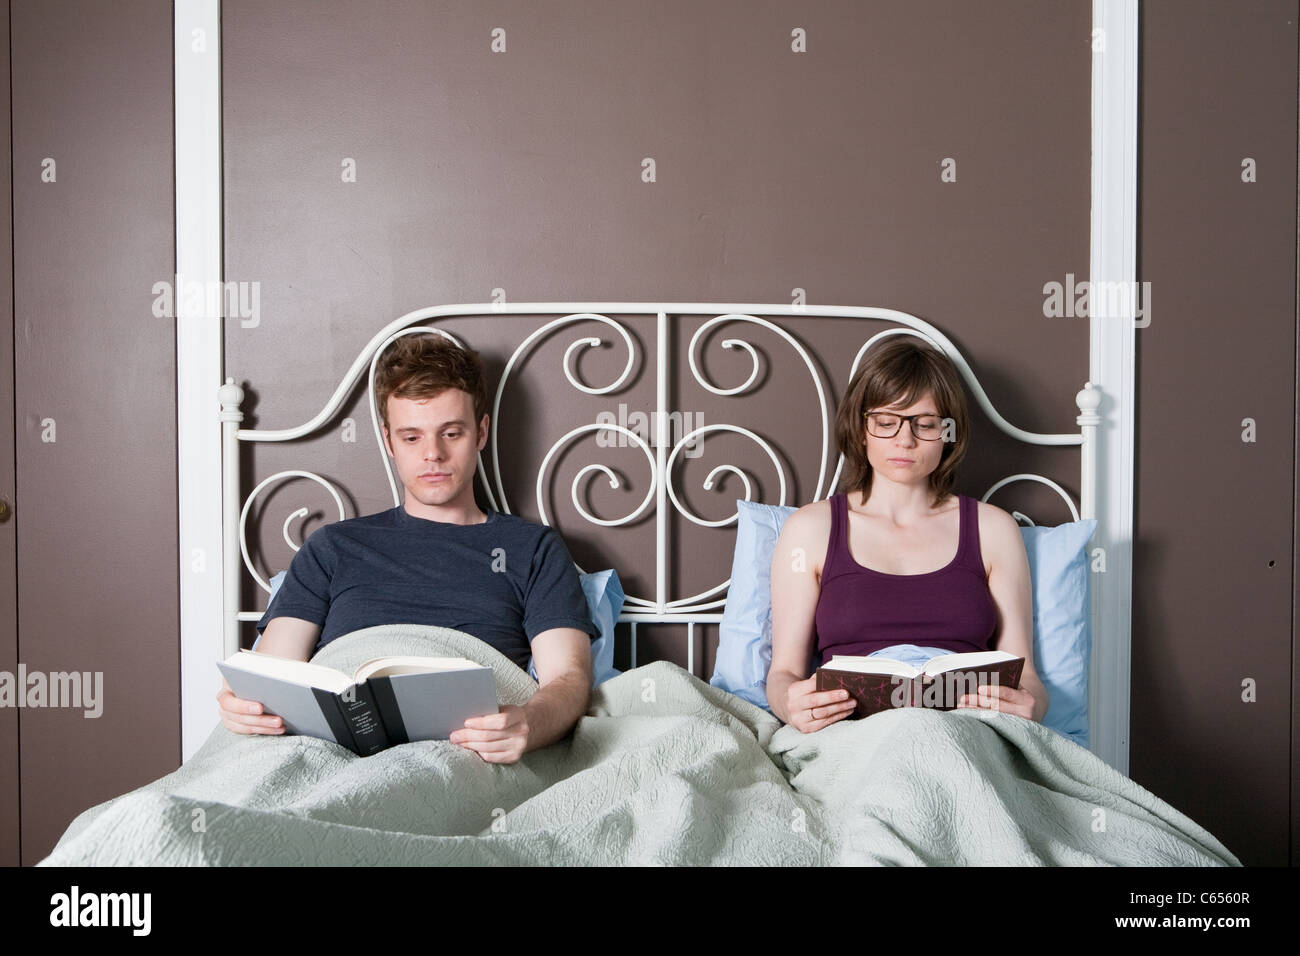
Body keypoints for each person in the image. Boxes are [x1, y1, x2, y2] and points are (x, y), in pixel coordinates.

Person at [216, 333, 601, 763]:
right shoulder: (333, 547)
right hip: (331, 748)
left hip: (464, 748)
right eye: (412, 437)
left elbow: (568, 679)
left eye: (451, 433)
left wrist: (528, 725)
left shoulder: (532, 548)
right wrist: (245, 706)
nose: (433, 454)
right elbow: (274, 673)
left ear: (481, 432)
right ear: (389, 440)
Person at [766, 337, 1049, 732]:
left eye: (926, 423)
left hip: (967, 735)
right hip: (852, 738)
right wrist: (791, 704)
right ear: (861, 427)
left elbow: (1028, 677)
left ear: (948, 432)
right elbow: (783, 674)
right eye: (886, 422)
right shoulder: (810, 530)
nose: (905, 439)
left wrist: (1029, 707)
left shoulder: (994, 529)